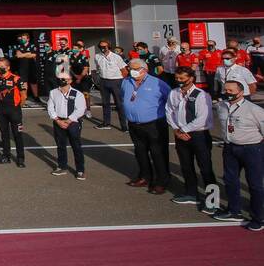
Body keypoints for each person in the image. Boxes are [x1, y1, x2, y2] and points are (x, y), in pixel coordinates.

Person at [212, 80, 264, 231]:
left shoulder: (254, 110)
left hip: (252, 149)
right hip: (229, 148)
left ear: (241, 92)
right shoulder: (221, 106)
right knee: (230, 180)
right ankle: (234, 210)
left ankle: (259, 217)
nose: (227, 92)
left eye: (231, 90)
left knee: (255, 184)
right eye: (225, 89)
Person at [165, 66, 215, 210]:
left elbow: (202, 118)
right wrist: (176, 129)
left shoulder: (201, 95)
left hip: (199, 135)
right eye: (177, 78)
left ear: (191, 78)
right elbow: (169, 111)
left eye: (182, 78)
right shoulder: (173, 93)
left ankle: (212, 200)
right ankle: (191, 193)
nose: (179, 81)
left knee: (205, 168)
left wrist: (183, 130)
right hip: (180, 134)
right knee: (186, 166)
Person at [120, 57, 172, 194]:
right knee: (140, 152)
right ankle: (145, 176)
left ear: (145, 69)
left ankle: (162, 180)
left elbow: (172, 99)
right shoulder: (126, 82)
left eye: (136, 69)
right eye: (130, 69)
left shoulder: (158, 83)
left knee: (158, 153)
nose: (133, 72)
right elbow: (123, 97)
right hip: (134, 124)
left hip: (154, 124)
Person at [48, 72, 88, 179]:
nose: (61, 80)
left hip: (73, 122)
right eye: (60, 78)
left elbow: (80, 109)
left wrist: (68, 120)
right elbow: (50, 108)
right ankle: (62, 166)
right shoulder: (53, 92)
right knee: (60, 146)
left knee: (76, 146)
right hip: (58, 122)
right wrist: (57, 120)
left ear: (70, 80)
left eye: (64, 78)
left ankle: (80, 170)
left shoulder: (77, 94)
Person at [0, 57, 26, 167]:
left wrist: (18, 107)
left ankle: (20, 158)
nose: (0, 69)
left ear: (8, 67)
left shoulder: (16, 79)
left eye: (2, 67)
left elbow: (23, 95)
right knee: (4, 134)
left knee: (17, 134)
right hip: (1, 110)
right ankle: (6, 156)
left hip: (14, 110)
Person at [92, 40, 128, 131]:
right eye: (101, 47)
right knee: (105, 103)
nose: (103, 48)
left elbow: (124, 71)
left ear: (109, 47)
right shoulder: (97, 57)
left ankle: (124, 126)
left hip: (116, 81)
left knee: (119, 104)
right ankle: (106, 123)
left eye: (105, 47)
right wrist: (98, 80)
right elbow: (98, 69)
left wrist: (120, 82)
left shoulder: (116, 57)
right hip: (104, 81)